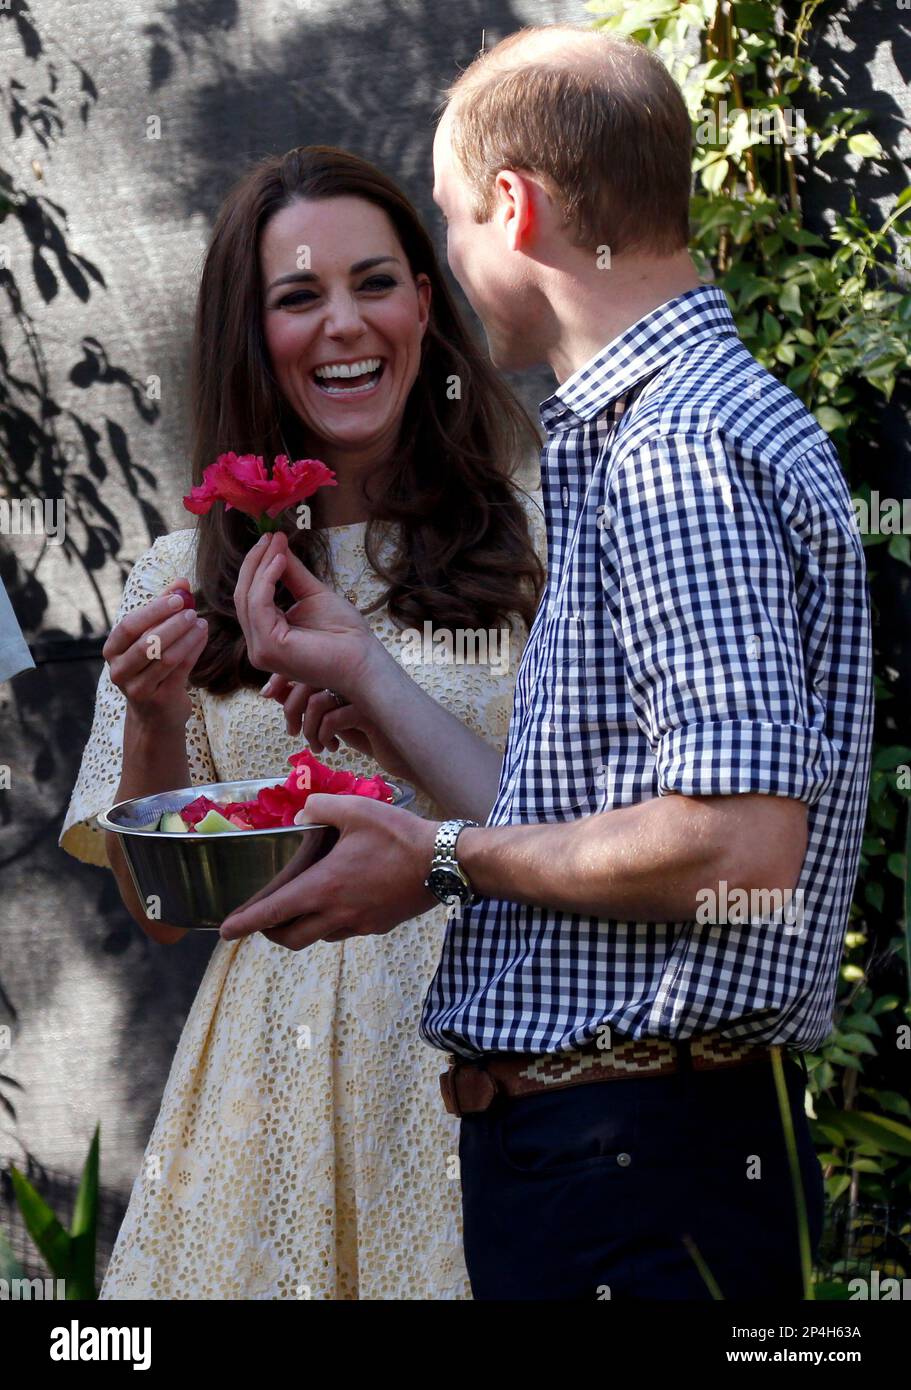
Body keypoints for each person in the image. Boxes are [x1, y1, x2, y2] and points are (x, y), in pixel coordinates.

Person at [220, 27, 874, 1301]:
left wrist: (440, 861)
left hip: (634, 1164)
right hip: (623, 1157)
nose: (455, 269)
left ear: (512, 209)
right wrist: (369, 678)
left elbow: (739, 848)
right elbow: (590, 828)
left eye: (451, 226)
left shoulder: (674, 455)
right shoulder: (673, 429)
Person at [58, 144, 546, 1299]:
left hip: (489, 1053)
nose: (344, 325)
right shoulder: (176, 574)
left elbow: (573, 830)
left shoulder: (540, 537)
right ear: (251, 329)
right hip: (262, 1078)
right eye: (297, 296)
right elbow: (168, 912)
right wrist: (154, 714)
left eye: (375, 283)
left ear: (424, 305)